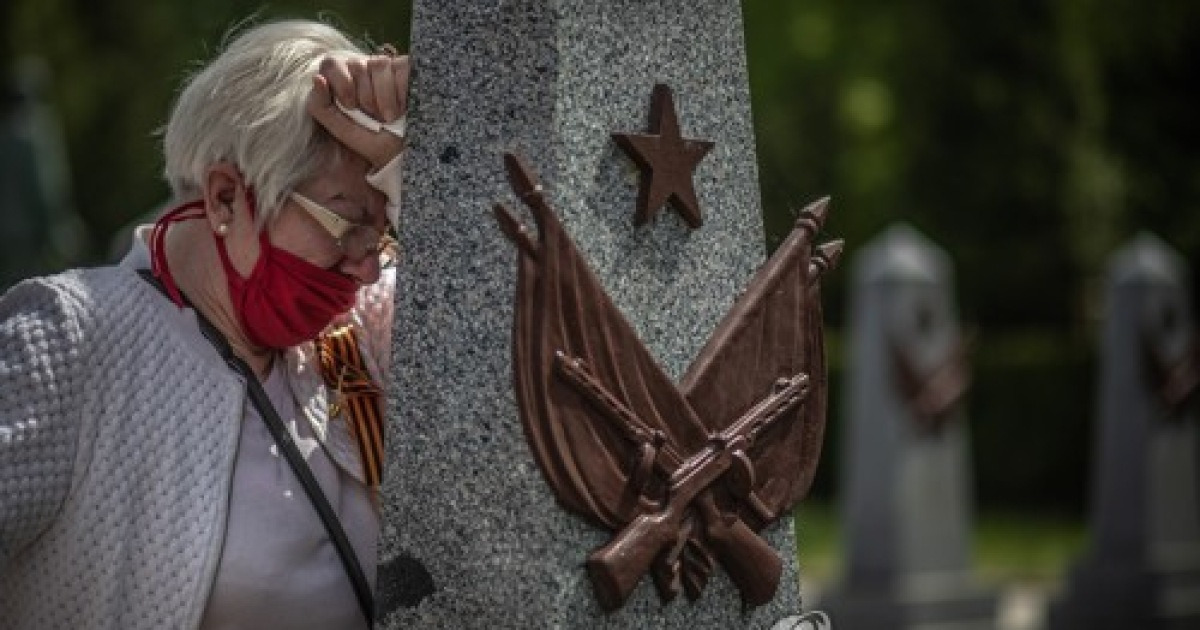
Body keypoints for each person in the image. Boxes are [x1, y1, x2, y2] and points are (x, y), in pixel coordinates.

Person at [0, 19, 408, 629]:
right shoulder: (68, 336)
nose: (369, 261)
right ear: (223, 198)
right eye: (347, 224)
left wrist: (417, 149)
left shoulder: (359, 328)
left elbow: (515, 321)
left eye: (383, 228)